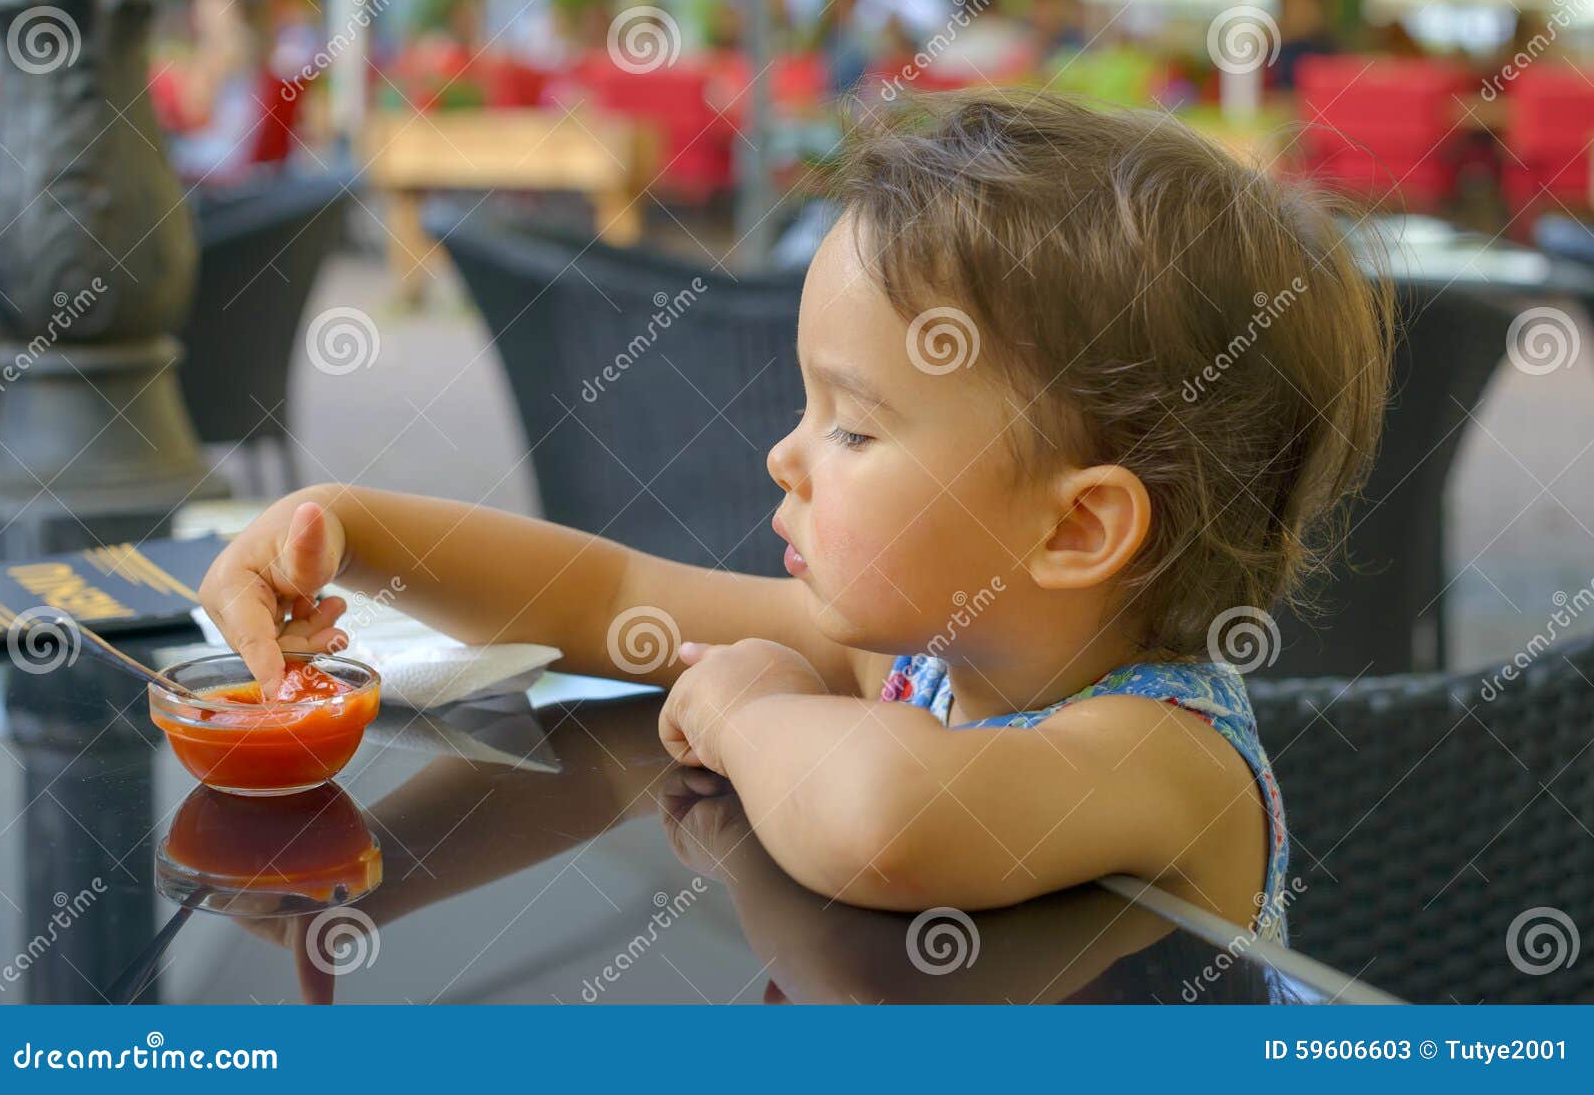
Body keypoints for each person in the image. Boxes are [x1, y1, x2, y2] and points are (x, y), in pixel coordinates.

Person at [197, 90, 1394, 943]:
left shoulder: (1160, 760)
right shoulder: (926, 657)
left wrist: (751, 701)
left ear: (1075, 530)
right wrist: (350, 528)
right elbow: (606, 600)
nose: (784, 452)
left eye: (854, 427)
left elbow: (881, 822)